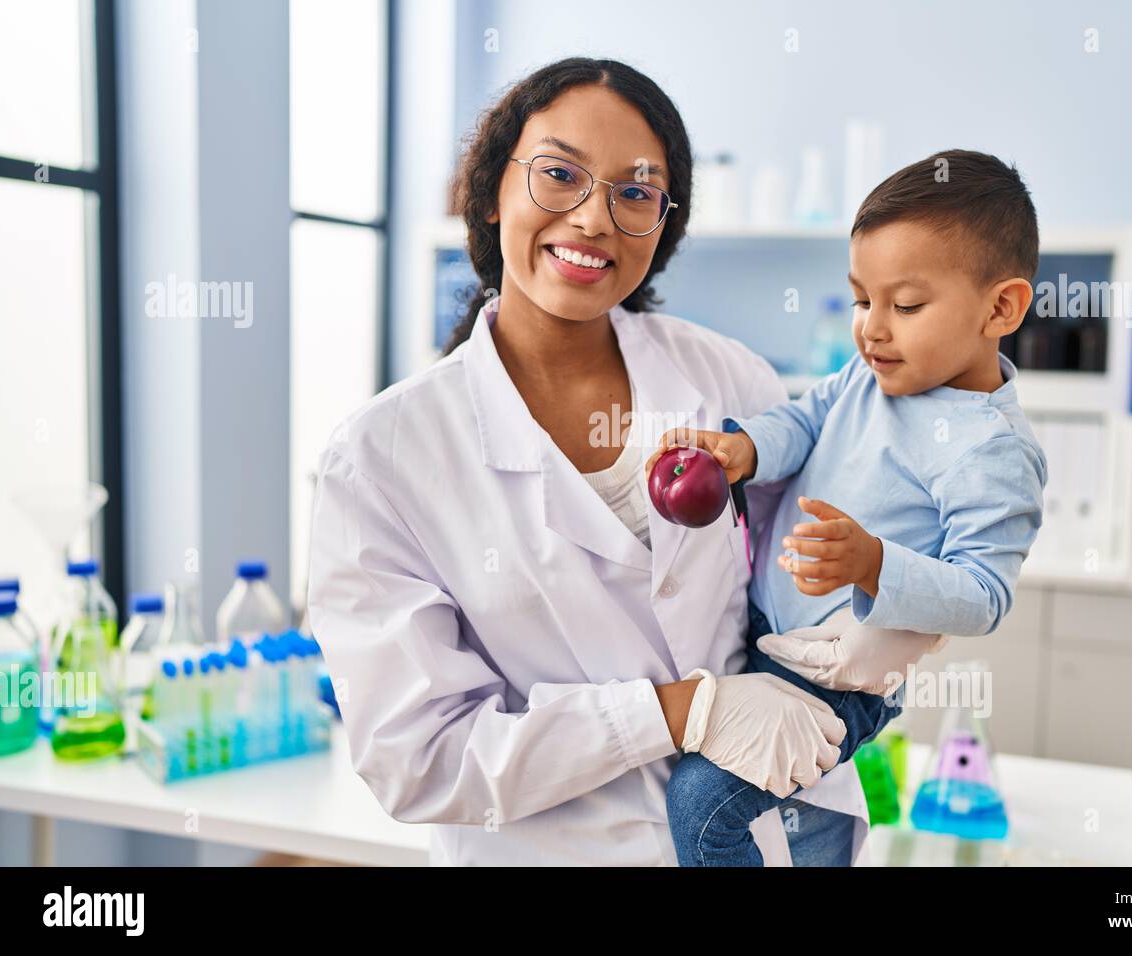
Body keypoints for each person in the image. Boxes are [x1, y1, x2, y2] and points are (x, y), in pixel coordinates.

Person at [307, 57, 867, 866]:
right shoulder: (380, 460)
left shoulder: (730, 382)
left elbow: (806, 589)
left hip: (775, 831)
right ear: (492, 189)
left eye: (635, 193)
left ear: (662, 226)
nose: (593, 218)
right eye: (560, 174)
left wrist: (895, 588)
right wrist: (678, 714)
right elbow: (419, 761)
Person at [651, 150, 1048, 865]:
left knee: (701, 806)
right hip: (767, 634)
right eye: (864, 299)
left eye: (906, 306)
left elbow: (985, 594)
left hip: (837, 680)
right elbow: (803, 422)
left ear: (1002, 308)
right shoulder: (867, 377)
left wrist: (875, 566)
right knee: (805, 826)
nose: (871, 328)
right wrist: (746, 450)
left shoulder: (992, 449)